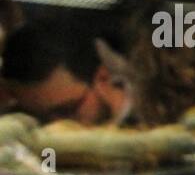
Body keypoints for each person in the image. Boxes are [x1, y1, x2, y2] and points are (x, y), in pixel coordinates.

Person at [0, 17, 130, 124]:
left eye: (66, 111)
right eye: (37, 118)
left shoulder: (146, 123)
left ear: (103, 78)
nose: (53, 129)